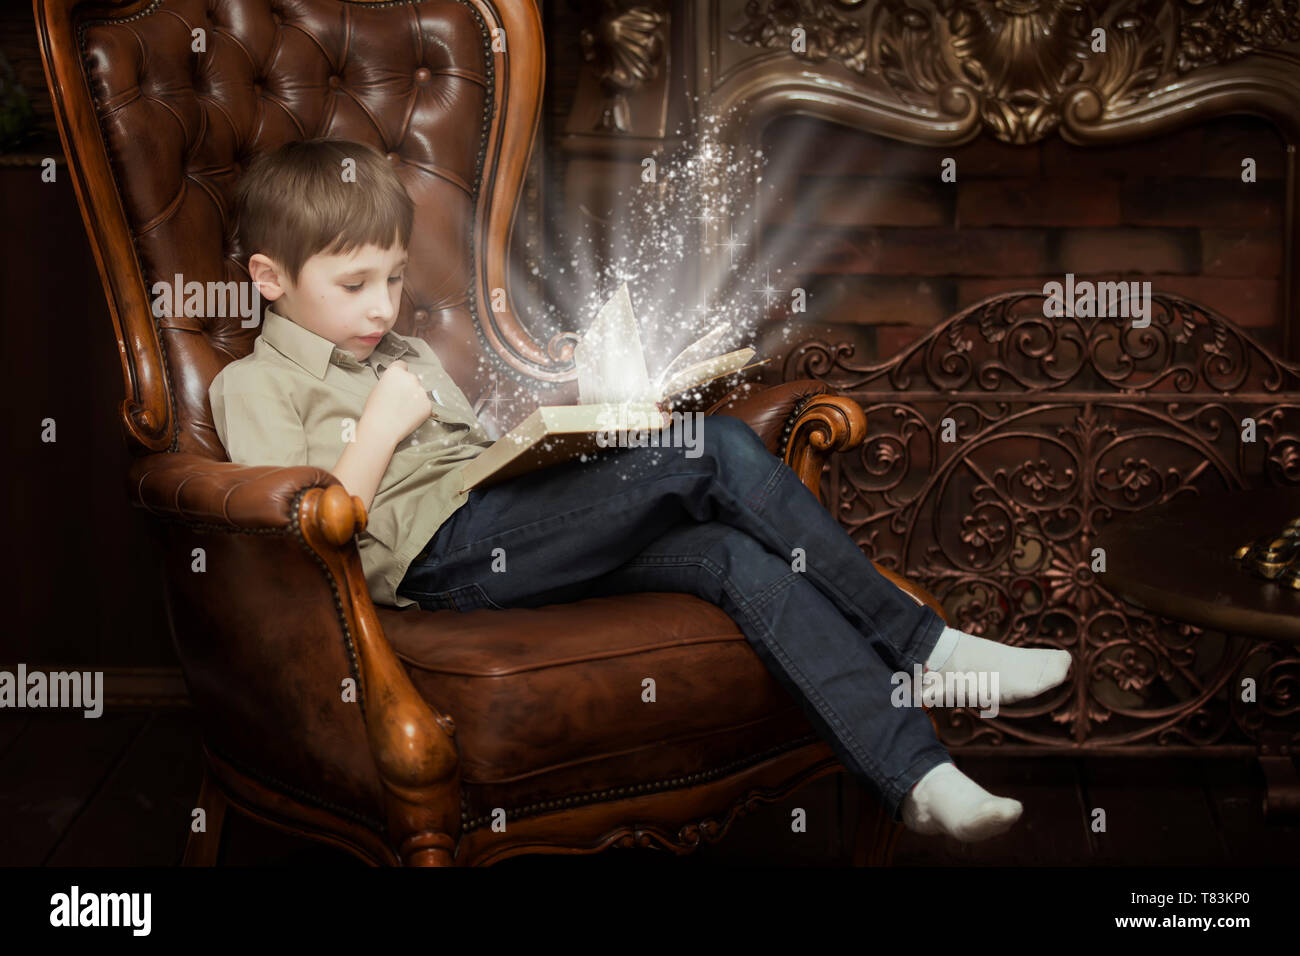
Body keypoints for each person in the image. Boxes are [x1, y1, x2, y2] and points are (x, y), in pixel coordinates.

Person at [210, 138, 1072, 844]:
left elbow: (474, 464)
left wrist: (591, 428)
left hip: (498, 527)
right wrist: (377, 427)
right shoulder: (252, 385)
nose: (383, 308)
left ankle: (916, 776)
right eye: (354, 285)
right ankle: (924, 648)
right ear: (269, 277)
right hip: (437, 563)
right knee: (715, 447)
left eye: (395, 278)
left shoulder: (406, 356)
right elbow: (305, 534)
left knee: (728, 554)